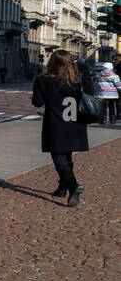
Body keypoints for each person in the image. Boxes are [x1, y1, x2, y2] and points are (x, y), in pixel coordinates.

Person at [31, 50, 89, 206]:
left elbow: (37, 102)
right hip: (75, 122)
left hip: (55, 122)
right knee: (67, 155)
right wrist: (82, 68)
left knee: (58, 157)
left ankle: (73, 185)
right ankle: (62, 188)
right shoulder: (78, 79)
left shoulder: (43, 79)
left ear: (51, 63)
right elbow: (91, 92)